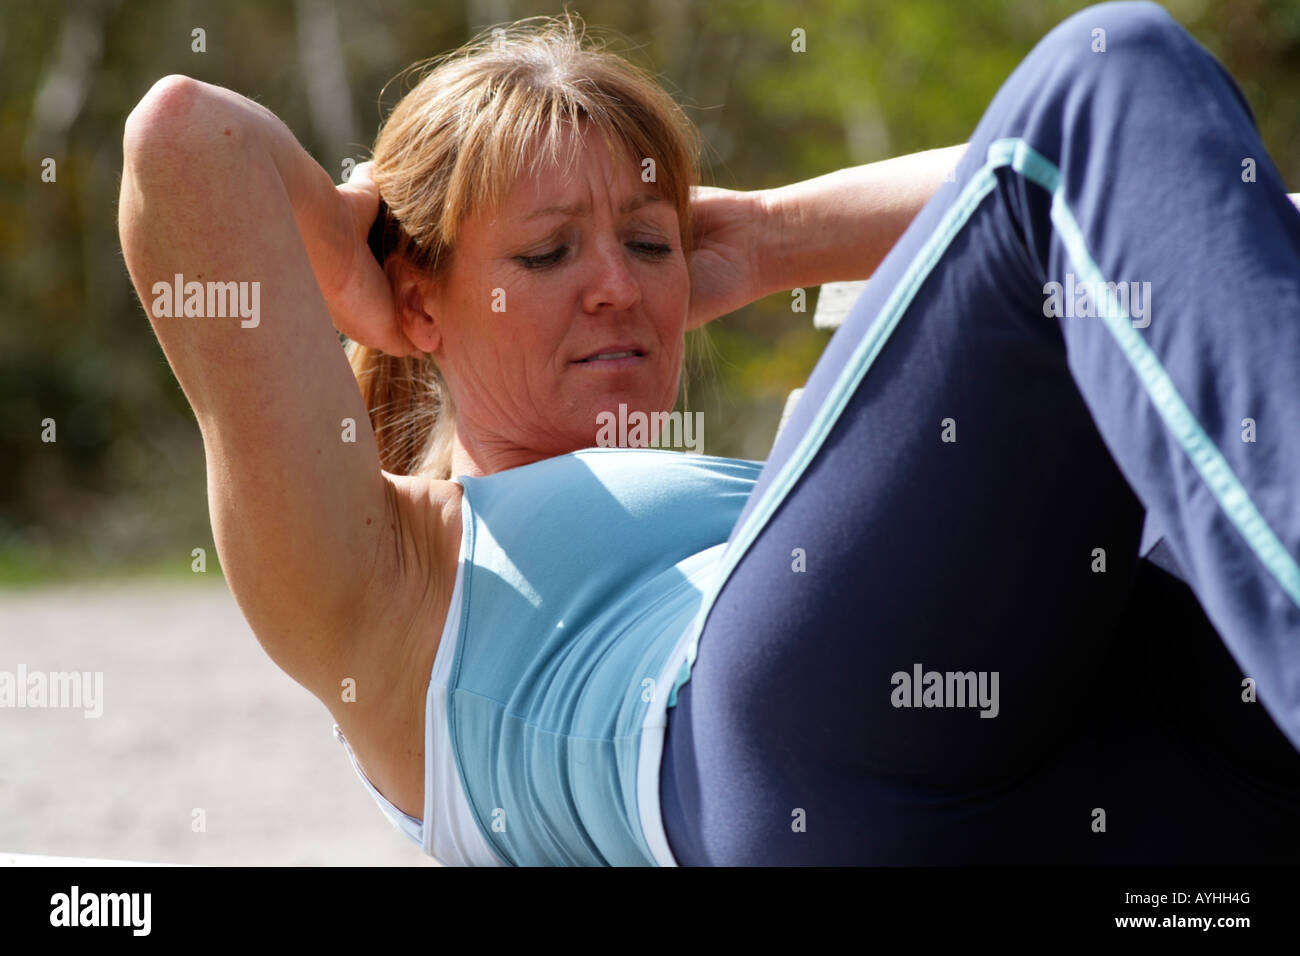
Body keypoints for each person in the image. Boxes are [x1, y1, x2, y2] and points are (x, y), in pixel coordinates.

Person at [118, 4, 1300, 866]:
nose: (617, 289)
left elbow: (1177, 196)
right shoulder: (384, 577)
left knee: (1223, 228)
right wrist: (350, 259)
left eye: (649, 243)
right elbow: (186, 142)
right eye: (543, 253)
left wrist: (771, 235)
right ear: (420, 300)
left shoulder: (767, 478)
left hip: (1098, 762)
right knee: (1114, 71)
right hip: (767, 769)